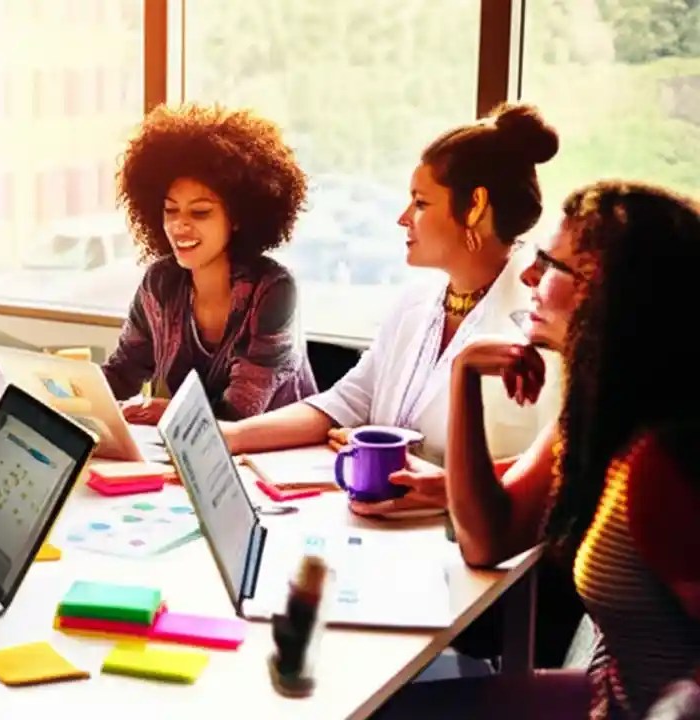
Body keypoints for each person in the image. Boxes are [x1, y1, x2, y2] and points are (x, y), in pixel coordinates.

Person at [380, 180, 700, 719]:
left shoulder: (661, 462)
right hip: (607, 694)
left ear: (607, 294)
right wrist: (464, 377)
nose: (528, 275)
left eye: (550, 263)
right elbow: (489, 539)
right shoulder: (603, 415)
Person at [224, 103, 565, 500]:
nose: (404, 217)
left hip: (475, 543)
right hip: (389, 523)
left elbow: (554, 471)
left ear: (475, 207)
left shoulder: (540, 323)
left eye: (421, 203)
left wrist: (432, 482)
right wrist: (231, 436)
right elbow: (349, 400)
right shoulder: (415, 302)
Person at [102, 102, 317, 424]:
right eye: (170, 211)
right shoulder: (160, 283)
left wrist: (169, 413)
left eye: (200, 212)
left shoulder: (273, 289)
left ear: (238, 217)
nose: (178, 226)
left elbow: (241, 412)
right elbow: (123, 373)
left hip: (277, 458)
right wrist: (62, 390)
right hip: (197, 452)